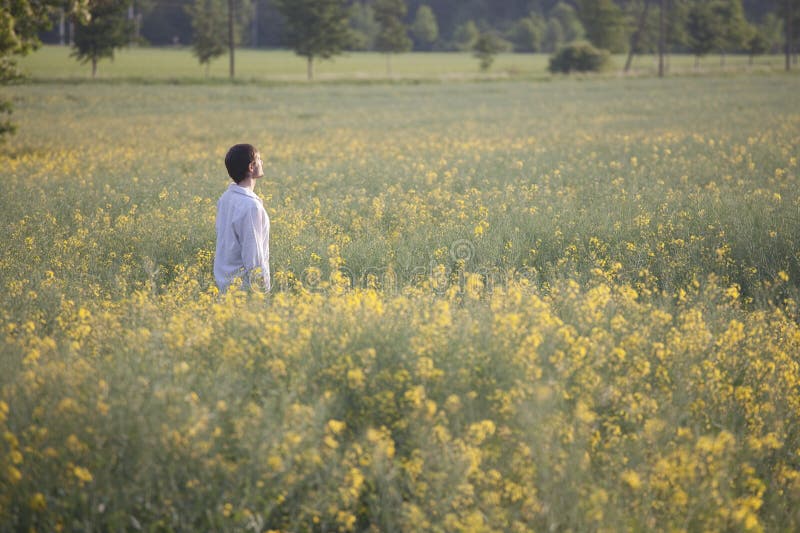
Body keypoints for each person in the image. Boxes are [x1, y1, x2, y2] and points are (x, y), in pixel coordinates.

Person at [214, 143, 271, 294]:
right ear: (251, 167)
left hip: (225, 285)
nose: (262, 162)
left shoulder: (225, 199)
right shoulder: (251, 206)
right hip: (244, 289)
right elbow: (253, 256)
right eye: (259, 159)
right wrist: (262, 291)